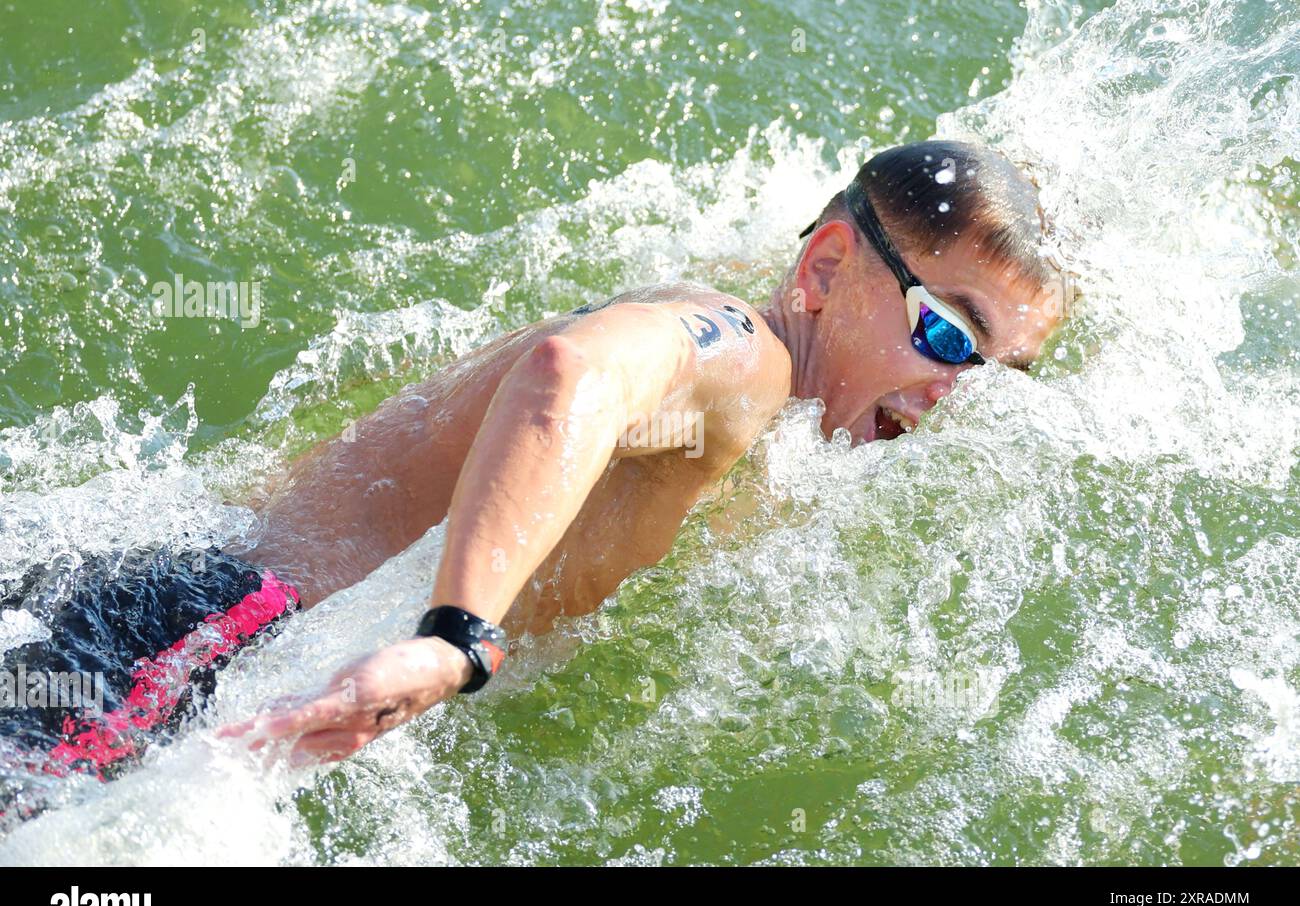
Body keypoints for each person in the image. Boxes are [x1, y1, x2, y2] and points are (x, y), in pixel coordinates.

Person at [1, 140, 1067, 793]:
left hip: (174, 601)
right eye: (946, 335)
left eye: (993, 371)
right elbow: (573, 371)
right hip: (195, 640)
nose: (952, 389)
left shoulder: (776, 402)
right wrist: (454, 637)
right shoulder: (738, 353)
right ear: (827, 267)